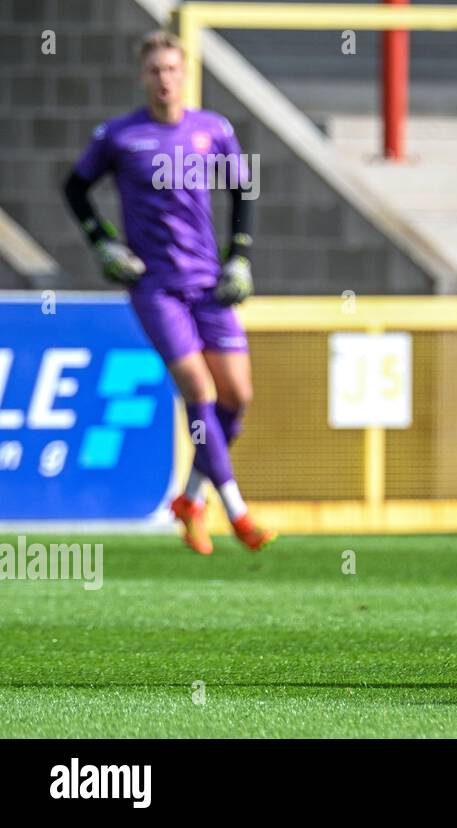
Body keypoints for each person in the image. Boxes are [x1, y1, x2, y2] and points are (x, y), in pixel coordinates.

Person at [63, 30, 275, 554]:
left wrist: (240, 256)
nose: (164, 79)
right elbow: (74, 187)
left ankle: (189, 498)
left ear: (185, 74)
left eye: (172, 69)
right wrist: (103, 244)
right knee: (199, 391)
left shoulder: (212, 130)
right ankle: (238, 512)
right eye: (155, 70)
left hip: (209, 284)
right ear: (143, 75)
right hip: (155, 286)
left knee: (237, 398)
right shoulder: (120, 136)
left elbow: (242, 188)